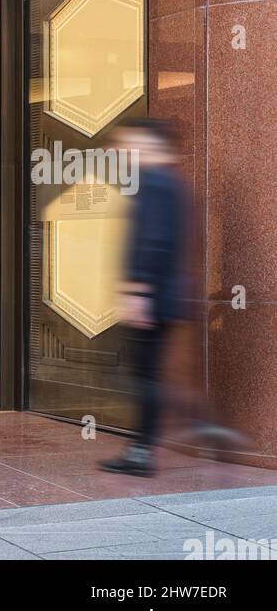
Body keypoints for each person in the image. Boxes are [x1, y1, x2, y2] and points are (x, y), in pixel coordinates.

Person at [99, 119, 189, 477]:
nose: (123, 149)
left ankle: (141, 452)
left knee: (145, 375)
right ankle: (141, 448)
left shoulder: (155, 183)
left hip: (153, 298)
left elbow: (154, 241)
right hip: (163, 297)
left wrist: (138, 289)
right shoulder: (171, 183)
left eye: (129, 143)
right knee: (147, 374)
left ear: (151, 144)